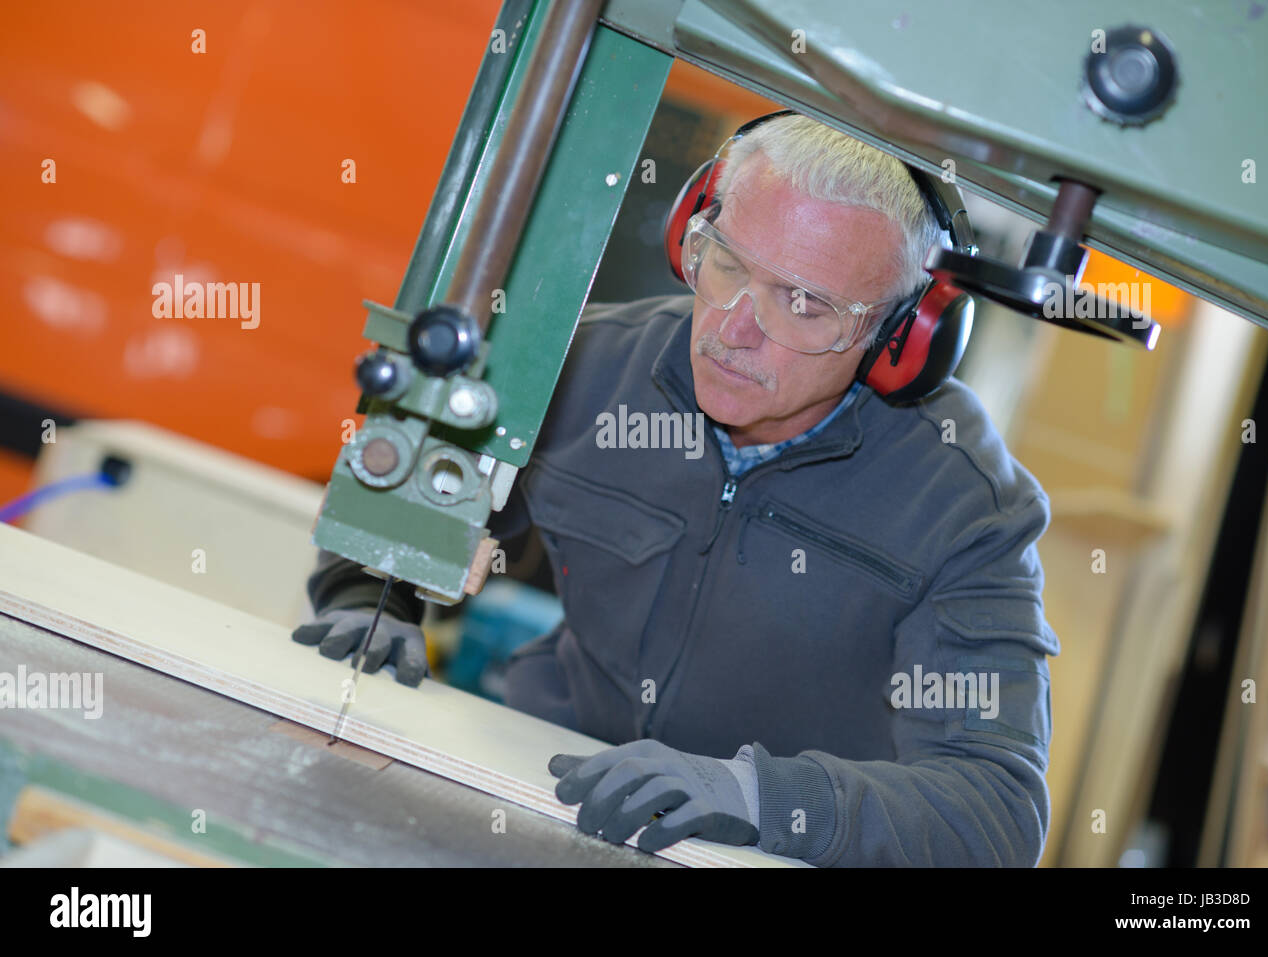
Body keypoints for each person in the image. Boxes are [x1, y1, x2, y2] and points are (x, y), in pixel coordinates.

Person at [296, 113, 1059, 867]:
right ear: (688, 235)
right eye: (724, 262)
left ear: (901, 336)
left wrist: (757, 797)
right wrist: (372, 597)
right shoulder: (582, 370)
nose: (731, 329)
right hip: (536, 798)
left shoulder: (965, 509)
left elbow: (993, 813)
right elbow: (397, 493)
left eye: (803, 304)